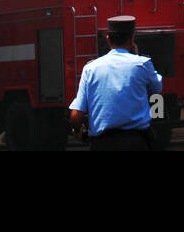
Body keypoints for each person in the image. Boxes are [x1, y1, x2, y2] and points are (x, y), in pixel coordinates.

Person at [69, 15, 162, 151]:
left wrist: (77, 130)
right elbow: (157, 88)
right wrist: (136, 56)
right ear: (132, 39)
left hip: (102, 144)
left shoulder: (90, 69)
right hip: (136, 143)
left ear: (108, 39)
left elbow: (77, 114)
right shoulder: (143, 64)